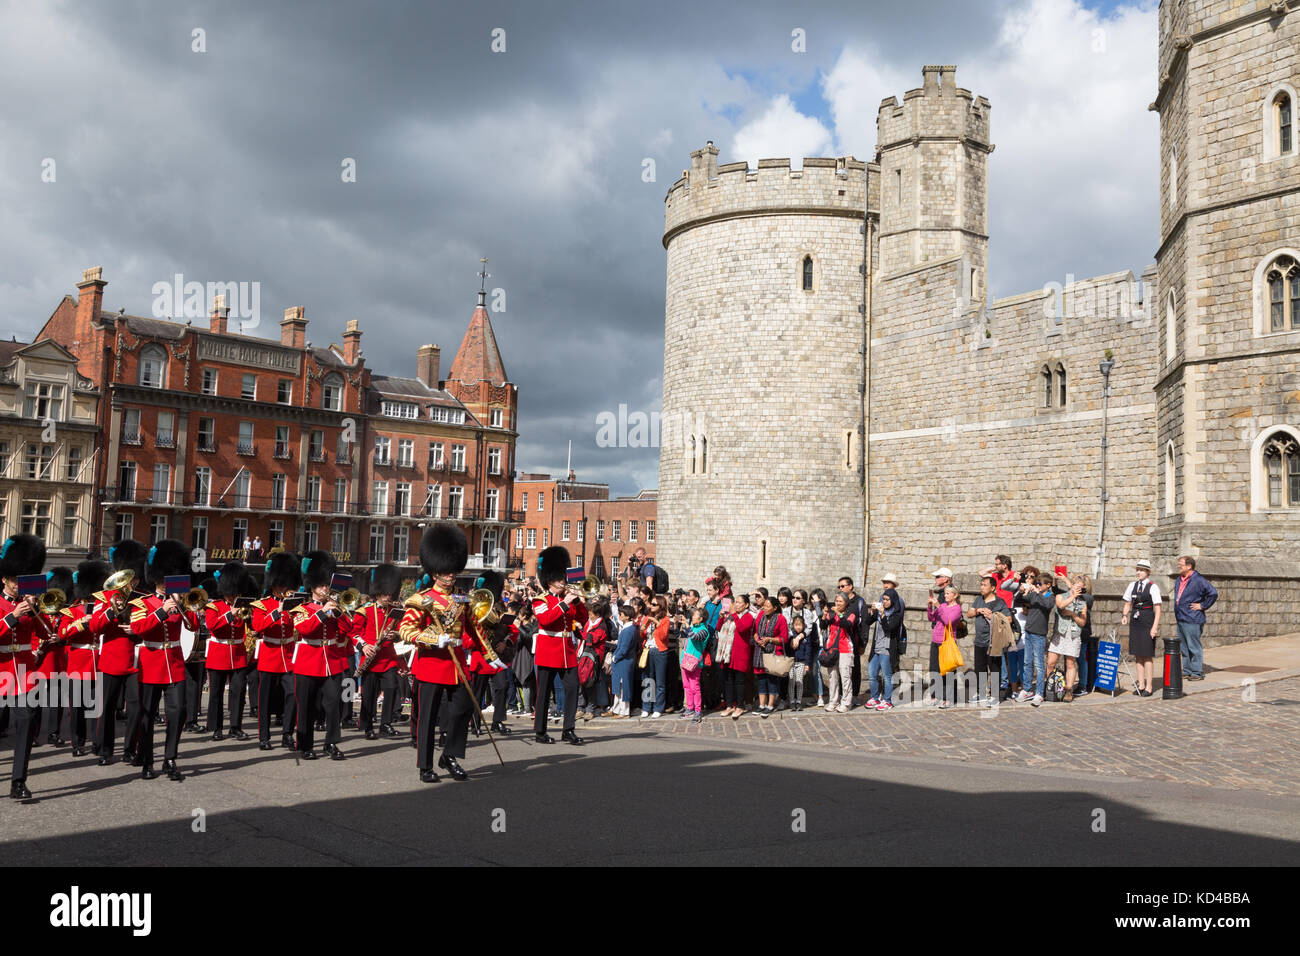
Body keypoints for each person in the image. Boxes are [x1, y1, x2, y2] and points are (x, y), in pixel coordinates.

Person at [401, 523, 483, 781]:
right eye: (447, 571)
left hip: (457, 666)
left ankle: (449, 755)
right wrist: (434, 639)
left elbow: (475, 629)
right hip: (431, 665)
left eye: (453, 571)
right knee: (427, 718)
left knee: (463, 708)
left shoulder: (461, 598)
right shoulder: (421, 599)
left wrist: (491, 651)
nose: (452, 575)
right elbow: (407, 630)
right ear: (436, 572)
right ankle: (425, 766)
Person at [128, 539, 200, 781]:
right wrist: (161, 611)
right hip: (151, 663)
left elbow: (194, 626)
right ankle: (147, 761)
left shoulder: (181, 601)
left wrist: (185, 608)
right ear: (158, 577)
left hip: (176, 663)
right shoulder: (143, 603)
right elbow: (139, 628)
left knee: (178, 711)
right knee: (147, 714)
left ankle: (170, 758)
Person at [291, 551, 353, 761]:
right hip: (309, 661)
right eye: (320, 585)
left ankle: (332, 743)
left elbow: (347, 628)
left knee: (334, 703)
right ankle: (306, 744)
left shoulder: (335, 607)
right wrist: (322, 613)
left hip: (332, 662)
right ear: (312, 587)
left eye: (326, 585)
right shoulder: (302, 608)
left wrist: (340, 612)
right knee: (306, 706)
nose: (325, 589)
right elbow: (305, 629)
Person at [0, 533, 48, 799]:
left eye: (22, 580)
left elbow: (46, 633)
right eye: (15, 581)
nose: (19, 585)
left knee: (27, 723)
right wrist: (11, 618)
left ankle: (18, 781)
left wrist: (36, 610)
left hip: (25, 672)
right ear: (5, 579)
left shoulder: (29, 603)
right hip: (1, 669)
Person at [93, 540, 148, 765]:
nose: (130, 583)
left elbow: (150, 628)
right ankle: (106, 749)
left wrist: (136, 631)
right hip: (113, 658)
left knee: (136, 708)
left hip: (135, 659)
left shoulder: (143, 598)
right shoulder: (104, 598)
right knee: (107, 707)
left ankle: (130, 749)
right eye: (128, 578)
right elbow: (95, 627)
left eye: (134, 578)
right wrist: (110, 611)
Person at [531, 545, 588, 744]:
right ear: (549, 581)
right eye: (559, 580)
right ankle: (540, 731)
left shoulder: (568, 598)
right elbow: (546, 619)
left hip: (567, 650)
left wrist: (578, 603)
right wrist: (564, 604)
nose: (563, 583)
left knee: (572, 688)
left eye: (563, 579)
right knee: (544, 693)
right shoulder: (540, 600)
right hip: (548, 649)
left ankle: (568, 729)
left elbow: (584, 617)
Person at [251, 551, 302, 750]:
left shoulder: (295, 604)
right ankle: (264, 736)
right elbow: (257, 626)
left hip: (289, 655)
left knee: (292, 694)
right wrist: (277, 612)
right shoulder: (262, 605)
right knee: (264, 699)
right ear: (272, 584)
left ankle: (287, 733)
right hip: (269, 655)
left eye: (285, 584)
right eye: (280, 585)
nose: (283, 588)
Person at [60, 559, 110, 757]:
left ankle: (98, 742)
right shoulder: (70, 611)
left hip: (99, 660)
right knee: (78, 708)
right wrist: (81, 622)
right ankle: (77, 743)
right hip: (78, 663)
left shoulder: (102, 608)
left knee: (96, 706)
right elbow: (63, 633)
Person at [204, 561, 253, 741]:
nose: (235, 595)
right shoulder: (214, 606)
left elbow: (252, 626)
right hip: (219, 651)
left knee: (238, 692)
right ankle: (216, 728)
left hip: (238, 653)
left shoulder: (243, 605)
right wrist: (229, 614)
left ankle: (235, 727)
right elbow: (212, 625)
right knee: (216, 693)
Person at [356, 563, 406, 739]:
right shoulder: (365, 611)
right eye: (385, 593)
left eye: (389, 593)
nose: (387, 597)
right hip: (371, 656)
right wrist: (364, 646)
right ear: (377, 593)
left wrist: (396, 635)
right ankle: (368, 725)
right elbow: (353, 633)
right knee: (369, 694)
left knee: (392, 687)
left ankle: (386, 723)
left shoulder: (395, 611)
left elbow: (403, 632)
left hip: (388, 657)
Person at [1014, 572, 1056, 706]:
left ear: (1048, 585)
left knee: (1039, 664)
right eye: (1036, 583)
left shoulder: (1050, 596)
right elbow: (1022, 599)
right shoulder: (1035, 594)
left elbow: (1047, 605)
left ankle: (1039, 692)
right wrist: (1022, 590)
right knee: (1027, 662)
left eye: (1040, 583)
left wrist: (1036, 592)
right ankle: (1027, 690)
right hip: (1029, 631)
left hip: (1039, 634)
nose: (1037, 585)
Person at [967, 575, 1011, 705]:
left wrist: (993, 616)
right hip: (979, 640)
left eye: (984, 585)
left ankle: (995, 696)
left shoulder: (999, 602)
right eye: (981, 584)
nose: (981, 587)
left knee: (995, 668)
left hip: (994, 642)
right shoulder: (978, 600)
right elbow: (969, 614)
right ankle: (981, 693)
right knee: (980, 668)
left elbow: (1008, 619)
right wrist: (977, 611)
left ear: (992, 588)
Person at [1172, 555, 1217, 681]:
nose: (1178, 566)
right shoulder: (1179, 579)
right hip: (1181, 618)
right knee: (1184, 647)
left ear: (1189, 566)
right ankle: (1187, 670)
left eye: (1181, 564)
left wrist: (1202, 605)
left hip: (1193, 619)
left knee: (1194, 647)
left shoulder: (1198, 580)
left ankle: (1197, 672)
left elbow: (1213, 593)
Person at [1122, 560, 1162, 696]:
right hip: (1135, 622)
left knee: (1147, 655)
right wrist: (1125, 615)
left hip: (1147, 622)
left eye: (1142, 570)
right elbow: (1128, 602)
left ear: (1148, 572)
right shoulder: (1132, 585)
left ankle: (1149, 687)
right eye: (1137, 569)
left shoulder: (1153, 587)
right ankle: (1141, 685)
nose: (1139, 572)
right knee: (1138, 655)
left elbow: (1158, 608)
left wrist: (1154, 627)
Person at [1048, 576, 1088, 702]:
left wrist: (1072, 614)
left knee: (1070, 664)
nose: (1078, 590)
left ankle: (1069, 691)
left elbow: (1082, 622)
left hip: (1073, 636)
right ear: (1072, 586)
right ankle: (1050, 688)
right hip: (1059, 634)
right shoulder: (1061, 596)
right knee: (1051, 663)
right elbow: (1061, 606)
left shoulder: (1083, 603)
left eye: (1080, 589)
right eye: (1077, 587)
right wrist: (1072, 597)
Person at [926, 586, 963, 708]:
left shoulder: (957, 609)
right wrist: (930, 606)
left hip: (946, 642)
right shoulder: (942, 606)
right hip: (935, 640)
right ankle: (935, 696)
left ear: (955, 595)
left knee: (948, 671)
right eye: (945, 593)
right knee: (934, 669)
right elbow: (931, 618)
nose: (945, 596)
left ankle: (949, 698)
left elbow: (948, 621)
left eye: (948, 593)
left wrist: (937, 605)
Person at [820, 593, 857, 712]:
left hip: (845, 649)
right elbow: (823, 625)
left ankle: (846, 702)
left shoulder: (850, 614)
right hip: (832, 649)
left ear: (846, 603)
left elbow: (846, 624)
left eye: (840, 601)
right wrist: (824, 616)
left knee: (845, 676)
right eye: (836, 601)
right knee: (833, 676)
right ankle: (833, 701)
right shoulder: (832, 614)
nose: (837, 603)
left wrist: (838, 614)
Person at [752, 595, 788, 717]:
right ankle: (762, 705)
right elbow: (755, 633)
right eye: (764, 606)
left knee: (772, 680)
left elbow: (784, 638)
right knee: (761, 680)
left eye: (767, 606)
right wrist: (757, 639)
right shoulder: (760, 616)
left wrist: (770, 639)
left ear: (775, 608)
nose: (765, 608)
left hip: (773, 653)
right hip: (760, 652)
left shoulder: (780, 619)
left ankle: (771, 705)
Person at [720, 593, 754, 719]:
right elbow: (720, 628)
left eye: (740, 602)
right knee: (728, 680)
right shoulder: (730, 616)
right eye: (736, 602)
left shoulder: (749, 617)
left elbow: (742, 628)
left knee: (740, 681)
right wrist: (721, 618)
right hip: (728, 653)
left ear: (746, 605)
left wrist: (733, 614)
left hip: (740, 653)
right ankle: (730, 705)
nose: (737, 604)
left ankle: (740, 706)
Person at [866, 590, 901, 709]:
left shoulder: (896, 614)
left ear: (893, 601)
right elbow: (867, 622)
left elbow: (889, 628)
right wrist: (872, 612)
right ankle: (875, 698)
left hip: (887, 648)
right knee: (872, 673)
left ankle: (887, 700)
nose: (884, 602)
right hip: (876, 647)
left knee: (887, 675)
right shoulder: (880, 612)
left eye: (887, 600)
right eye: (883, 599)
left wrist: (882, 615)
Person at [642, 595, 671, 718]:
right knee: (648, 679)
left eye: (654, 604)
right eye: (651, 604)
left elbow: (663, 636)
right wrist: (644, 626)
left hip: (660, 651)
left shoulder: (665, 620)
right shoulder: (648, 618)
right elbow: (642, 633)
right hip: (648, 650)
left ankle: (658, 708)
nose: (651, 606)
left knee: (659, 682)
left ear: (661, 606)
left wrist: (656, 622)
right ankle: (646, 707)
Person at [680, 607, 709, 722]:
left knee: (694, 687)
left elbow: (695, 637)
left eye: (695, 615)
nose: (693, 617)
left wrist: (687, 626)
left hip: (695, 663)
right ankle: (690, 708)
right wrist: (681, 626)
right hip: (685, 660)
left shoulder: (704, 630)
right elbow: (682, 635)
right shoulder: (692, 627)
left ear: (701, 618)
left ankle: (698, 710)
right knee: (686, 686)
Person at [609, 603, 638, 717]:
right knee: (619, 687)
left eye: (621, 614)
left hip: (624, 662)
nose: (619, 615)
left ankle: (624, 711)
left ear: (626, 616)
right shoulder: (628, 628)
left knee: (623, 687)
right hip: (623, 661)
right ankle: (617, 709)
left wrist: (615, 658)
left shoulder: (629, 629)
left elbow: (624, 649)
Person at [787, 612, 814, 711]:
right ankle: (791, 701)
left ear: (804, 626)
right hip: (791, 662)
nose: (798, 627)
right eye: (796, 625)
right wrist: (791, 642)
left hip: (801, 662)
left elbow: (808, 651)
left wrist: (807, 664)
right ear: (793, 626)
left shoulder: (806, 637)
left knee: (799, 681)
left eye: (800, 625)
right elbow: (788, 649)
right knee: (791, 681)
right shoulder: (791, 635)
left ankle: (798, 701)